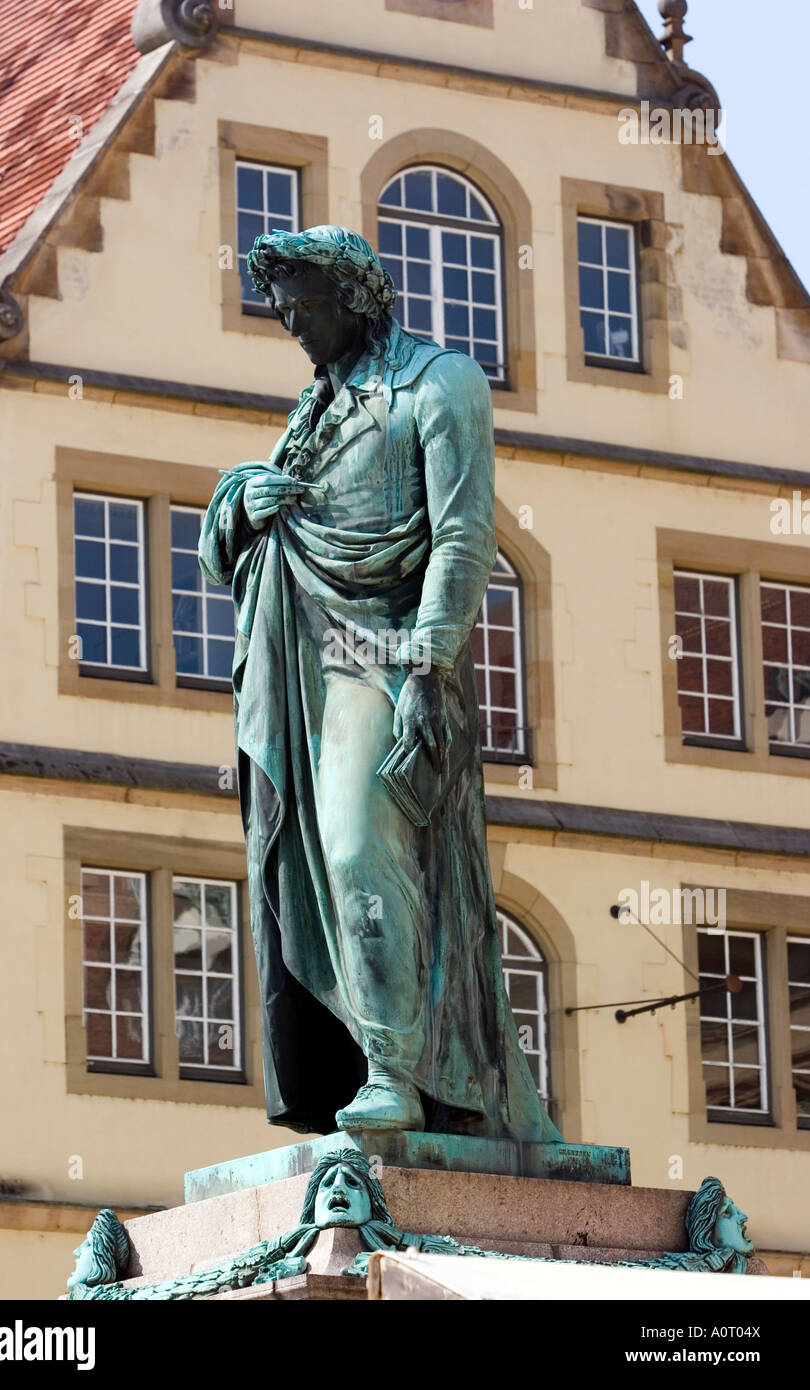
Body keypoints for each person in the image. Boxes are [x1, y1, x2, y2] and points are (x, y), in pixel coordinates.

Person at [199, 225, 559, 1142]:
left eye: (306, 306)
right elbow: (236, 544)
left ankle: (396, 1072)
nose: (293, 325)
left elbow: (465, 536)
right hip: (303, 657)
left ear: (355, 294)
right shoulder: (315, 407)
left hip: (389, 653)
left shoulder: (440, 384)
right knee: (308, 864)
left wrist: (431, 667)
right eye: (282, 311)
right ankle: (364, 1068)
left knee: (358, 848)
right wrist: (244, 498)